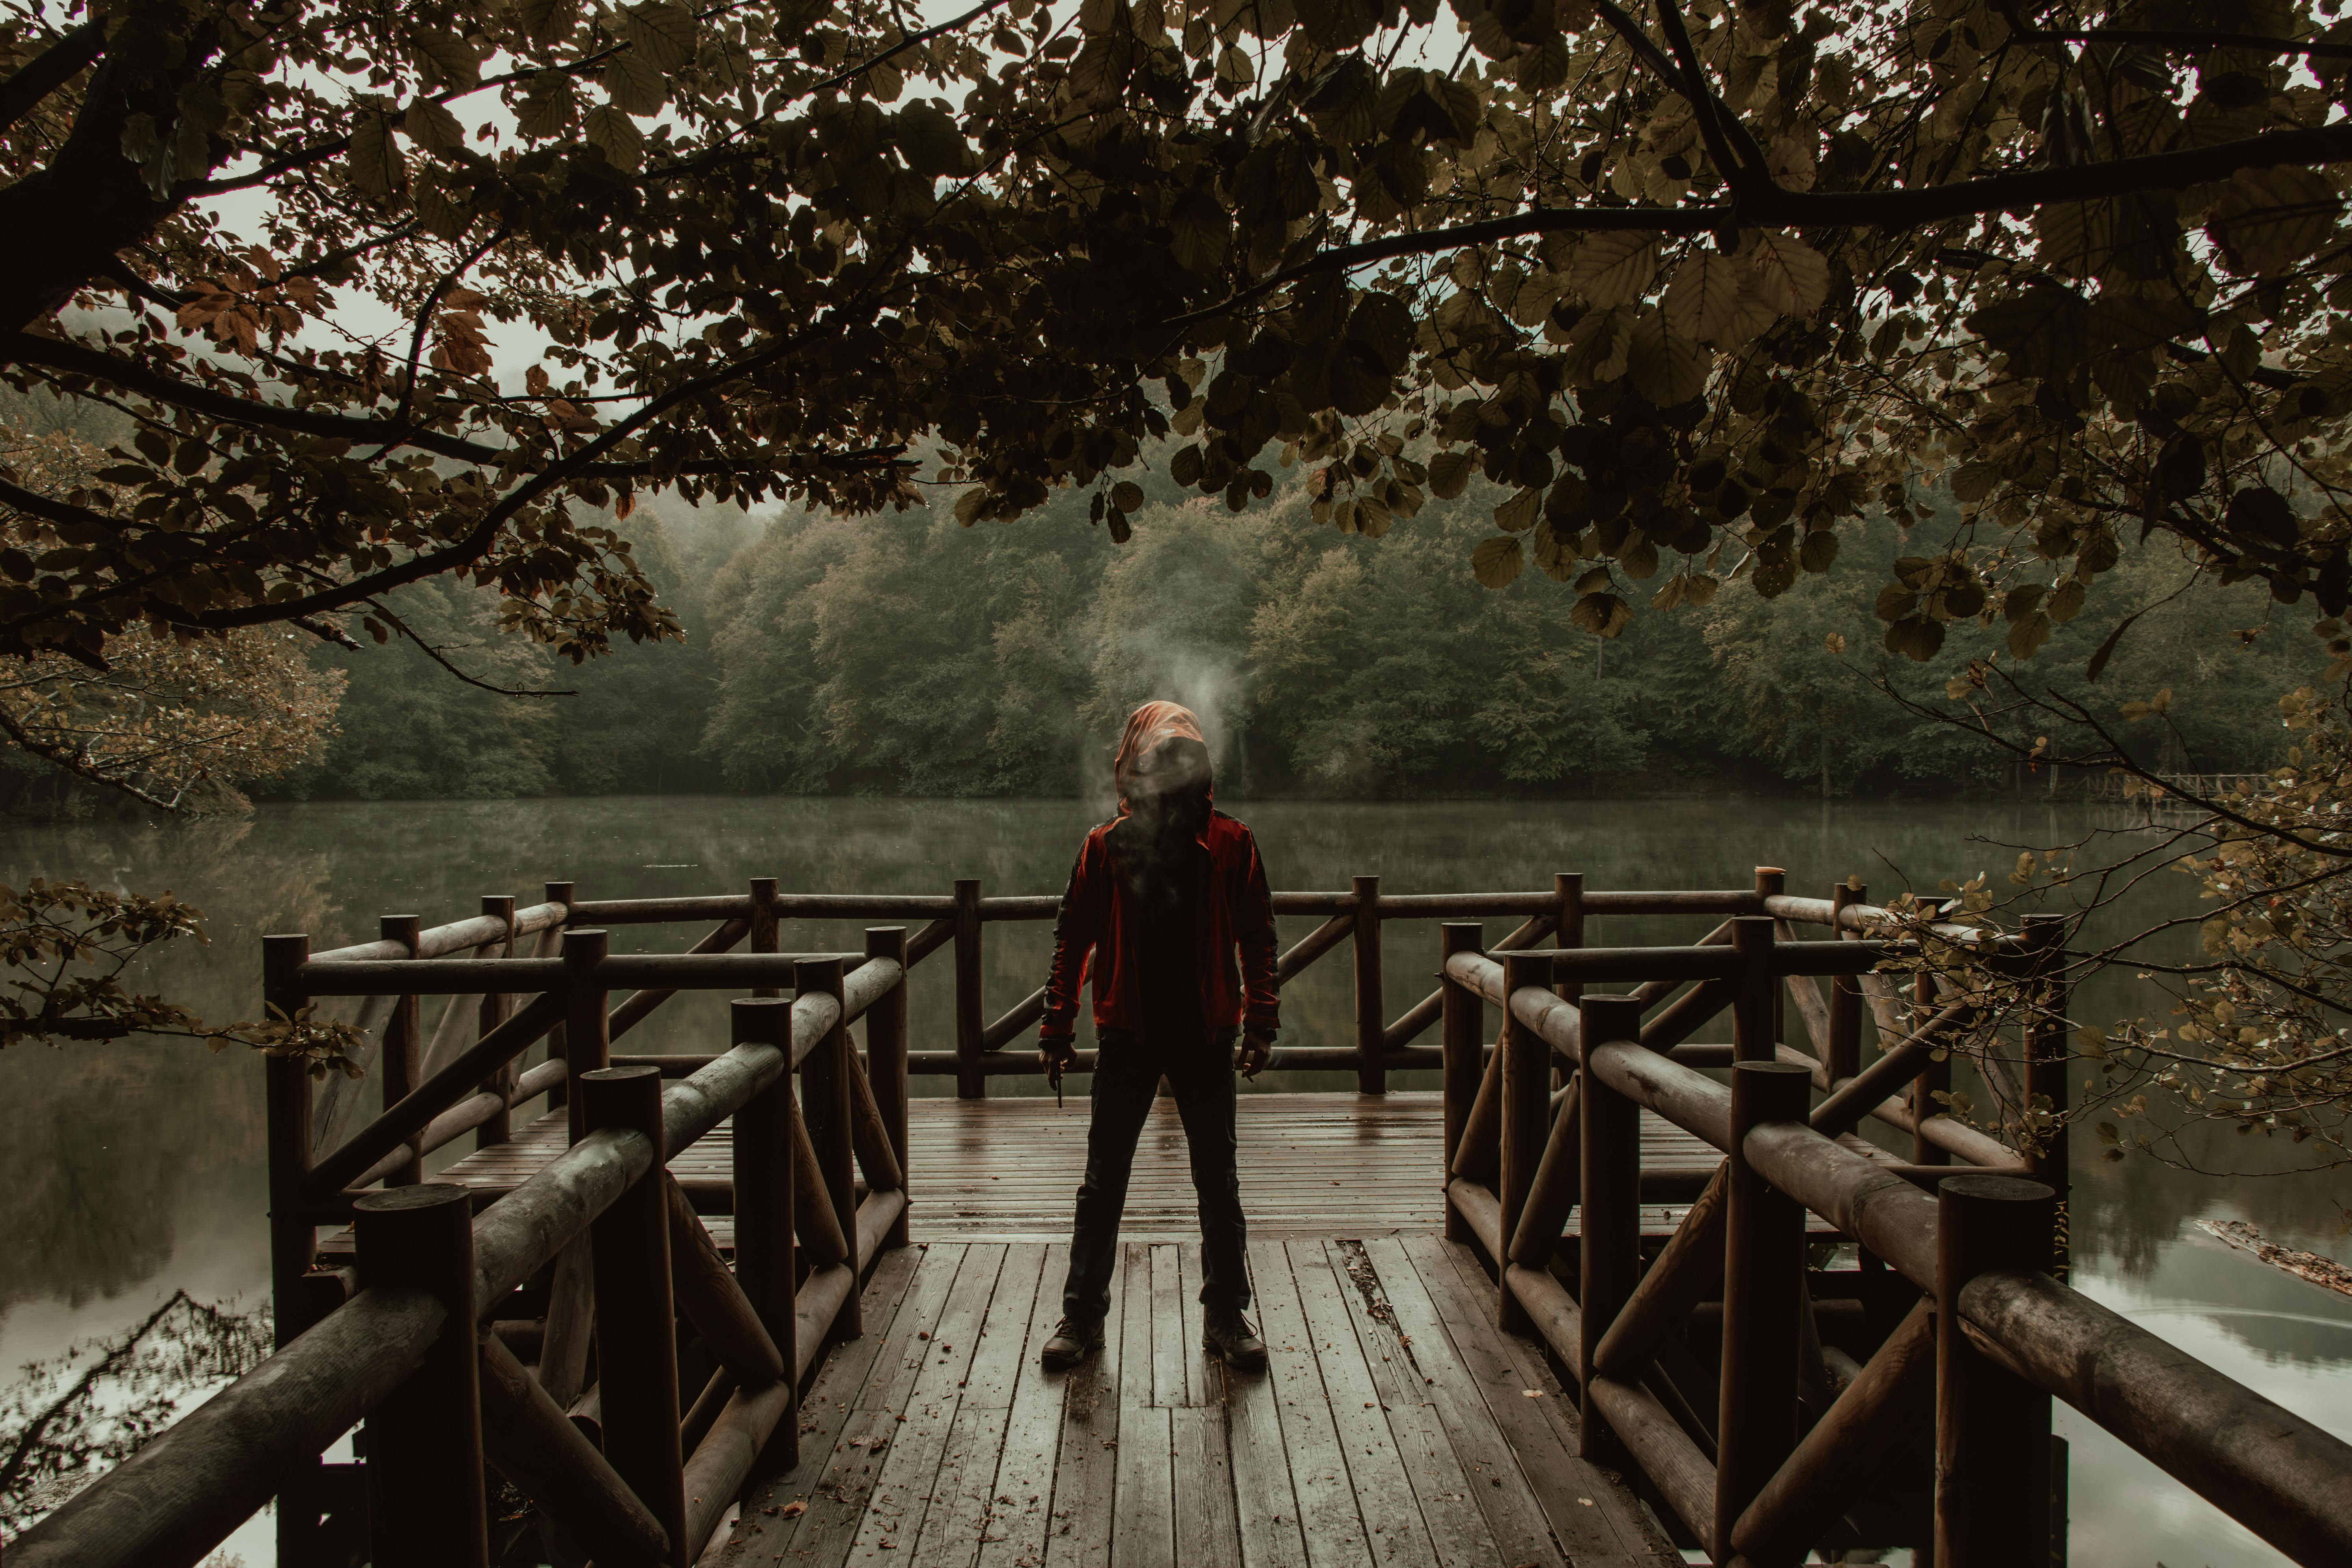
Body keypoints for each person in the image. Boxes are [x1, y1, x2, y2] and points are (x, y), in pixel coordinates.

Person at [1034, 700, 1280, 1372]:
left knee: (1217, 1180)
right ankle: (1081, 1318)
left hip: (1205, 1031)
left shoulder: (1232, 842)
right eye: (1157, 761)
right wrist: (1057, 1026)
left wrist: (1261, 1019)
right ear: (1134, 765)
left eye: (1182, 761)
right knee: (1102, 1180)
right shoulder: (1104, 844)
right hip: (1128, 1030)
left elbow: (1258, 936)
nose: (1169, 775)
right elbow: (1072, 940)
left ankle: (1227, 1318)